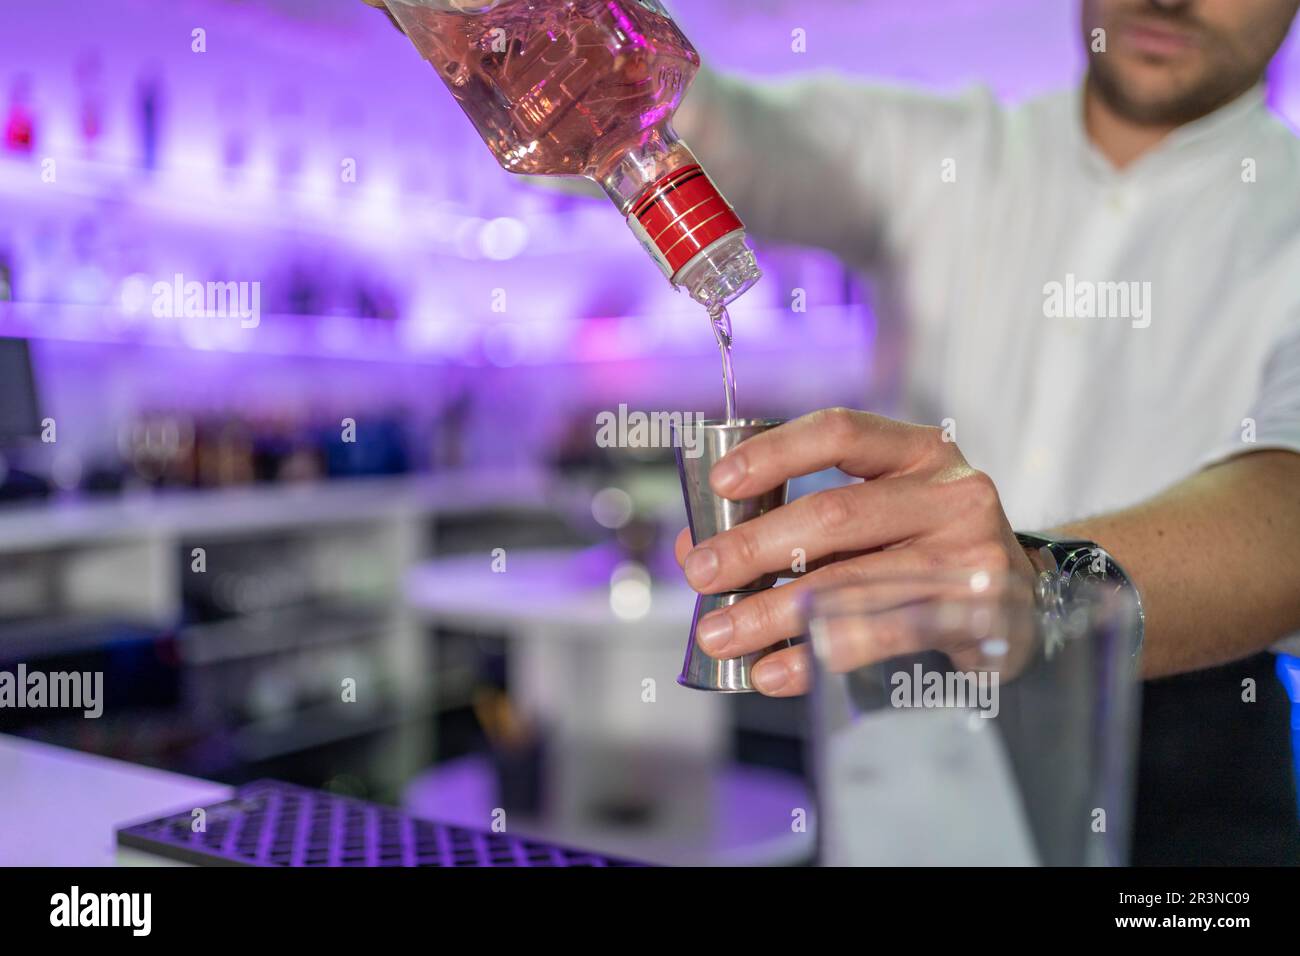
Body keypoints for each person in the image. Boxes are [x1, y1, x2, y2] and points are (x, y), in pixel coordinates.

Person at [365, 0, 1300, 863]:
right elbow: (717, 130)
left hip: (1187, 771)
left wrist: (1047, 587)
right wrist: (537, 39)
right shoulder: (939, 149)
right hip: (905, 737)